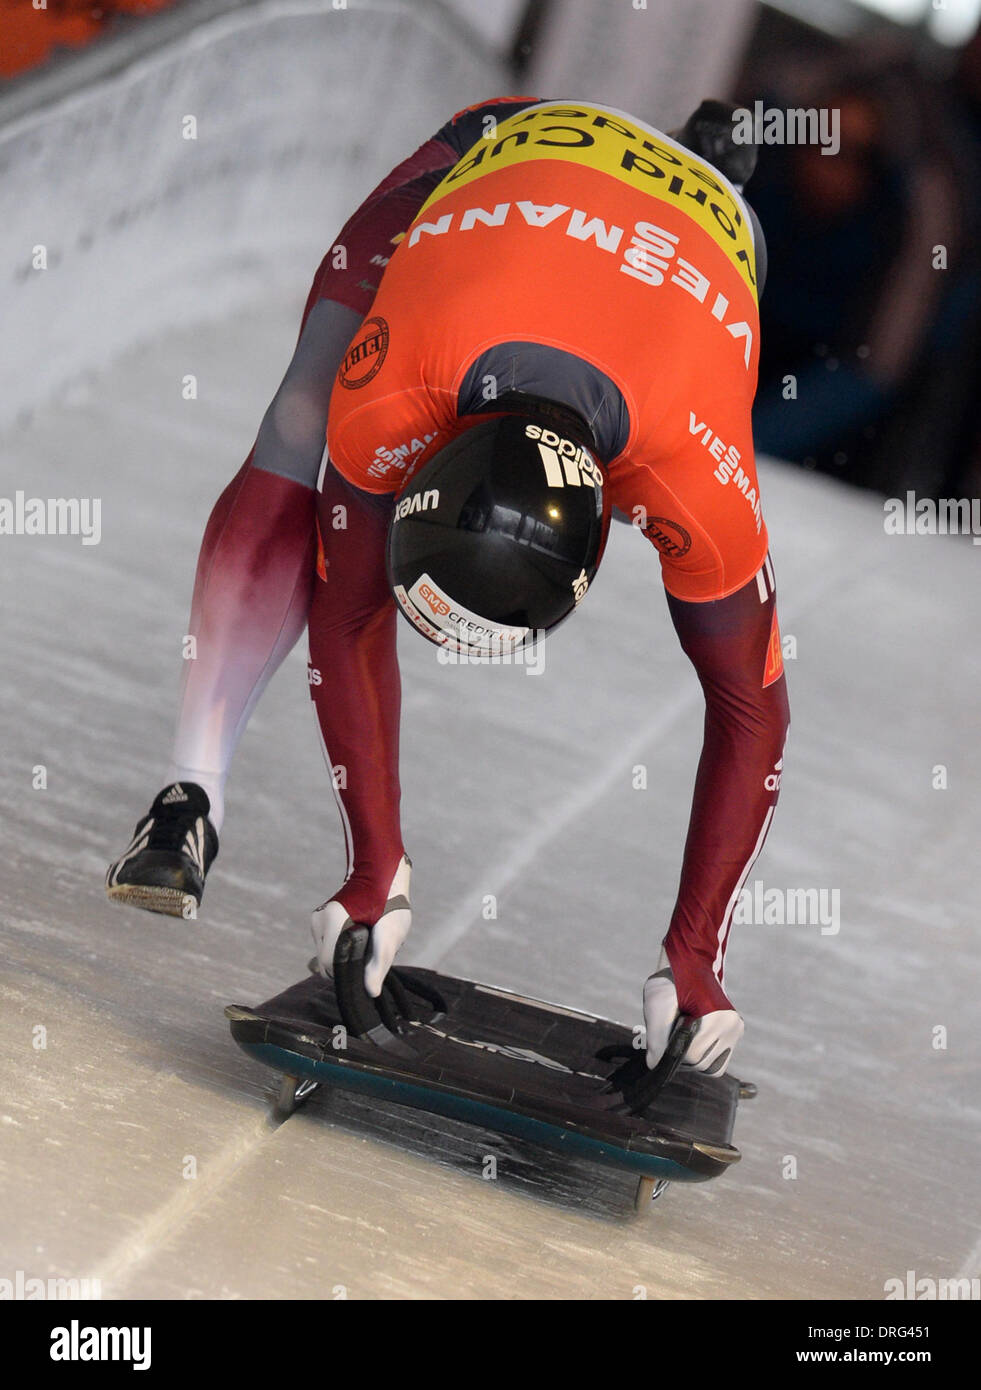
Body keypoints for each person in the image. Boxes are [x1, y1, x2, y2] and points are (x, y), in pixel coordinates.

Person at [107, 97, 790, 1079]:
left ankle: (698, 156)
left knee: (323, 425)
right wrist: (373, 869)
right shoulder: (394, 393)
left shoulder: (701, 476)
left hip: (694, 238)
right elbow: (346, 612)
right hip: (492, 156)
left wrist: (698, 954)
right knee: (305, 415)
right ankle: (191, 791)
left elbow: (753, 708)